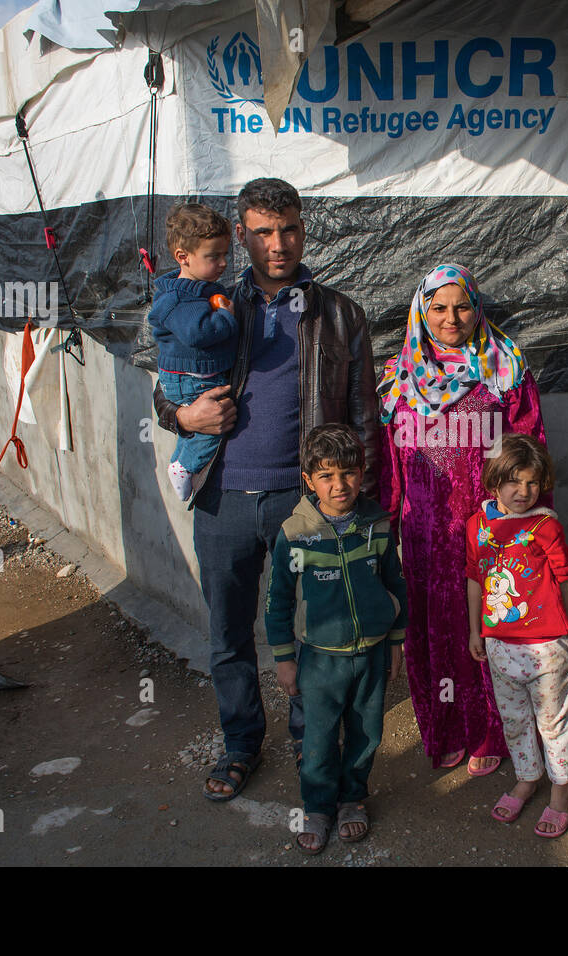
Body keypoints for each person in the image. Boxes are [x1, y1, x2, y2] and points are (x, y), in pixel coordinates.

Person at [151, 178, 379, 800]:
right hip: (222, 498)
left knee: (316, 631)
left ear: (303, 229)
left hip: (304, 505)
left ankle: (312, 742)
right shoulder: (212, 308)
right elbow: (166, 385)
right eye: (263, 232)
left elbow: (363, 418)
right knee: (228, 633)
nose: (278, 244)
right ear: (242, 234)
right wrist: (183, 419)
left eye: (290, 229)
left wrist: (366, 505)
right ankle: (241, 744)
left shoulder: (339, 313)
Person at [378, 262, 546, 775]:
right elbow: (388, 460)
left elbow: (530, 447)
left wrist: (528, 525)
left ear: (478, 308)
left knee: (488, 628)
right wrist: (385, 523)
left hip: (489, 530)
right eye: (439, 307)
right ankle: (444, 727)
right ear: (421, 311)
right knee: (435, 630)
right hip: (425, 534)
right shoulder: (398, 376)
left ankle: (491, 731)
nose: (452, 318)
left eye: (463, 306)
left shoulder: (506, 368)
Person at [265, 424, 406, 853]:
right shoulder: (294, 533)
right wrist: (285, 658)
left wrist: (396, 641)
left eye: (348, 473)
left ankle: (352, 800)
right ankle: (318, 806)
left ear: (362, 472)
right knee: (319, 737)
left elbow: (395, 583)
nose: (339, 485)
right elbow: (278, 600)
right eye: (326, 476)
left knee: (366, 734)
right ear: (309, 481)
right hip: (320, 660)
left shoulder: (377, 523)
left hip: (372, 653)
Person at [466, 433, 568, 838]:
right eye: (514, 481)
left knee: (553, 723)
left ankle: (561, 793)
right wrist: (475, 631)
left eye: (533, 482)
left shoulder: (545, 526)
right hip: (500, 647)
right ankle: (527, 777)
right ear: (494, 480)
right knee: (515, 720)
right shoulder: (476, 526)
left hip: (549, 647)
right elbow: (474, 581)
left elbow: (565, 581)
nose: (524, 491)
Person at [147, 203, 238, 500]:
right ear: (183, 258)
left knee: (198, 430)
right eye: (213, 256)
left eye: (225, 254)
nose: (222, 263)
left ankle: (180, 462)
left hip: (192, 375)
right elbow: (198, 333)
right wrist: (226, 316)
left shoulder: (197, 289)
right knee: (213, 426)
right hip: (193, 378)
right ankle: (185, 467)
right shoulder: (177, 298)